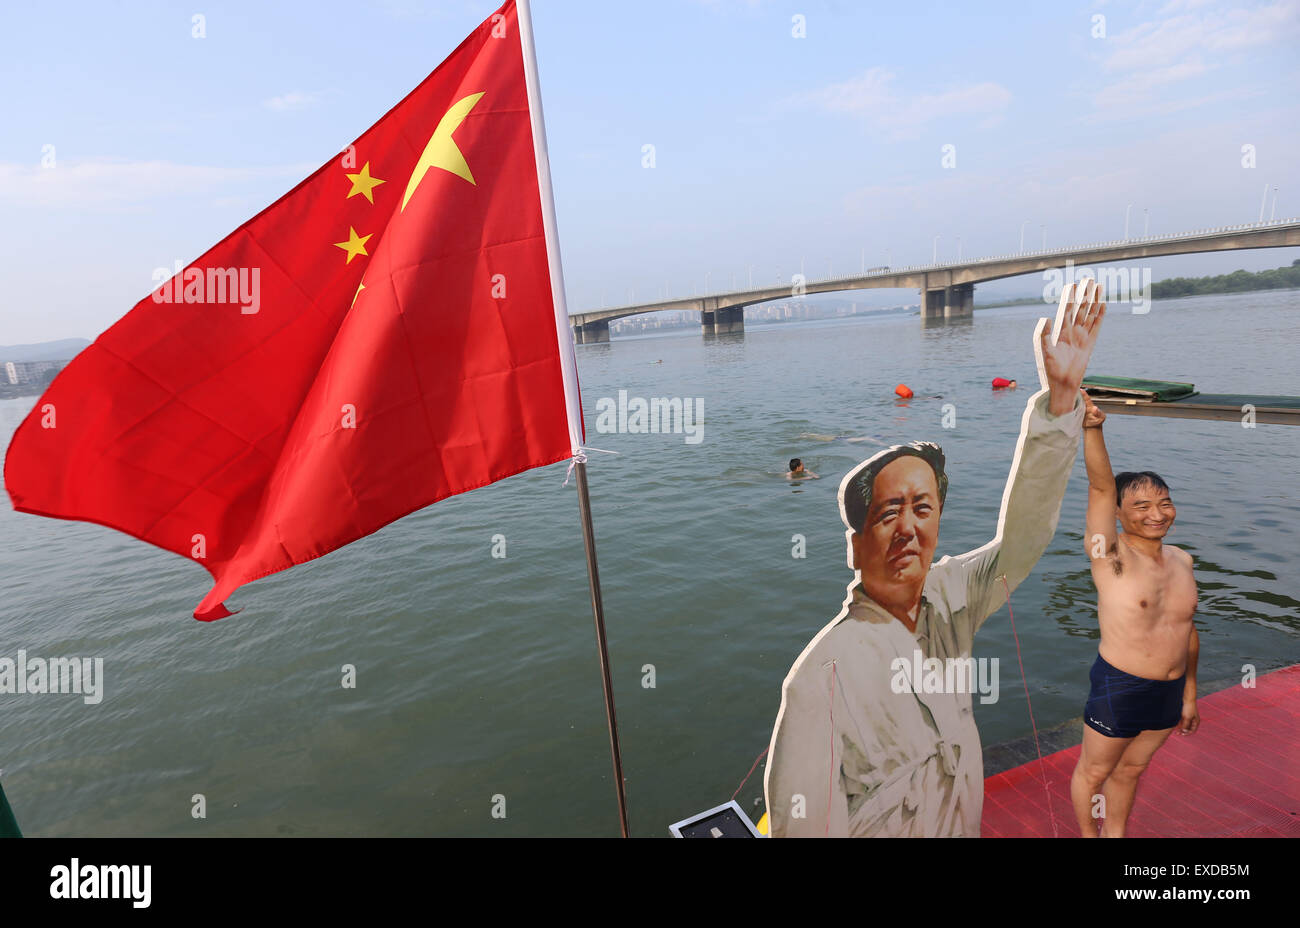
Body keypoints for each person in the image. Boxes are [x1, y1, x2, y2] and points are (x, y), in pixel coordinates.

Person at [764, 279, 1105, 837]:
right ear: (855, 545)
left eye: (923, 508)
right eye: (887, 512)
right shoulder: (819, 681)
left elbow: (1021, 543)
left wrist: (1060, 402)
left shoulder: (950, 601)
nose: (907, 528)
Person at [1069, 389, 1199, 838]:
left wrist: (1190, 692)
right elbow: (1101, 485)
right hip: (1120, 685)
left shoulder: (1182, 560)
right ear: (1119, 514)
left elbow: (1187, 629)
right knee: (1094, 772)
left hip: (1169, 689)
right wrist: (1093, 427)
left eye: (1163, 503)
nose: (1156, 514)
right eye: (1141, 506)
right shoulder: (1110, 555)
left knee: (1131, 770)